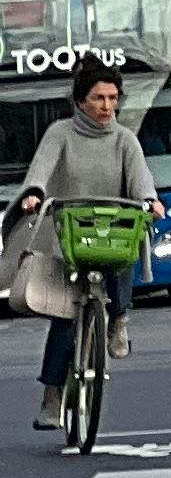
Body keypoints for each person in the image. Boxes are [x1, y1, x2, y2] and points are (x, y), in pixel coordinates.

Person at [9, 60, 161, 432]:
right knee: (64, 320)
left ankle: (118, 319)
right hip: (69, 236)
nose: (107, 106)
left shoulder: (125, 139)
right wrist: (33, 194)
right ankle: (52, 398)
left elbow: (140, 179)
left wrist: (150, 200)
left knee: (125, 254)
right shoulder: (60, 134)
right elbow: (41, 170)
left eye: (112, 98)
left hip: (112, 231)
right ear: (80, 101)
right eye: (98, 98)